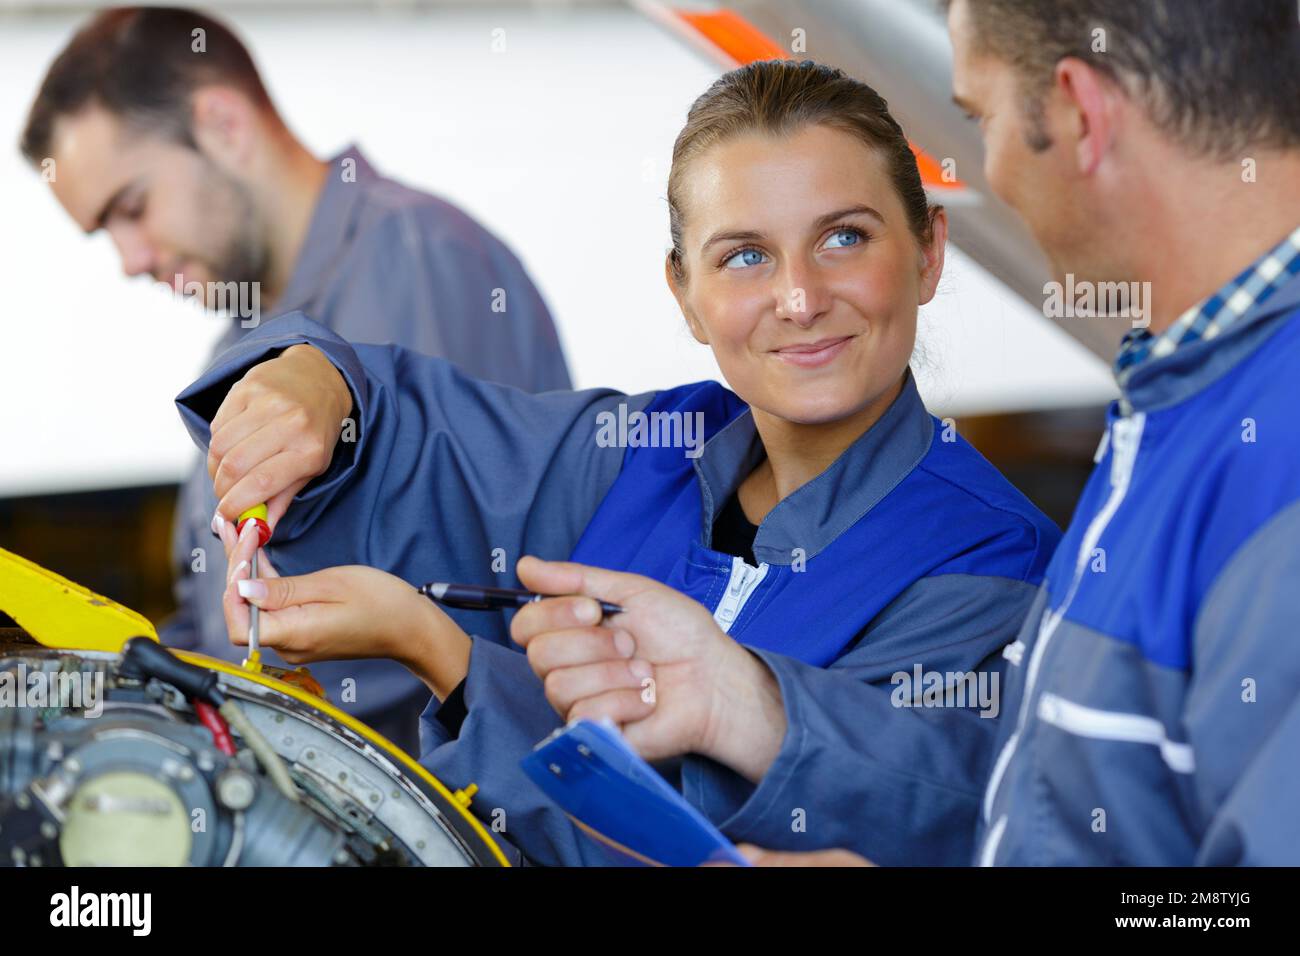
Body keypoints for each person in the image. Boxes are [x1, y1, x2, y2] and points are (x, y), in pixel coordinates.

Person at [178, 60, 1062, 865]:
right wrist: (319, 380)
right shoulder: (646, 451)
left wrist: (440, 651)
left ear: (930, 253)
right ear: (684, 293)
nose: (799, 297)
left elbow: (698, 840)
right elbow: (422, 441)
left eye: (844, 238)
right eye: (746, 255)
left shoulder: (998, 569)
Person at [524, 0, 1300, 866]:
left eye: (979, 118)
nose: (989, 173)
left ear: (1079, 112)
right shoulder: (1187, 405)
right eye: (744, 255)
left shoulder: (1265, 452)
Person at [20, 6, 571, 754]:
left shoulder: (419, 256)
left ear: (222, 124)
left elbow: (473, 607)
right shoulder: (242, 343)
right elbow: (211, 615)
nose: (130, 259)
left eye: (132, 208)